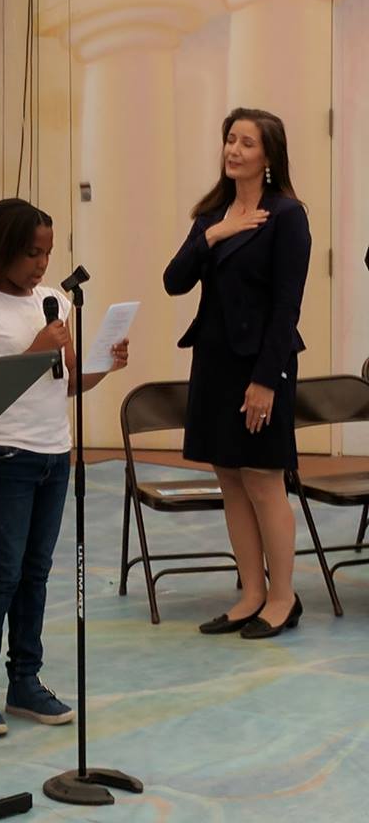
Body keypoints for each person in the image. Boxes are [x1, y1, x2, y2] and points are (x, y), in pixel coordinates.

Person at [0, 197, 129, 736]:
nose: (41, 266)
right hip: (5, 455)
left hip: (55, 455)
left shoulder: (54, 302)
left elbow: (67, 381)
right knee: (1, 572)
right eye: (31, 253)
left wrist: (105, 364)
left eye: (47, 253)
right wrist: (35, 349)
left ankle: (25, 678)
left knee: (37, 573)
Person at [163, 107, 311, 640]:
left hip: (261, 367)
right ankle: (250, 592)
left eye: (246, 143)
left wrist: (266, 380)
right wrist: (216, 234)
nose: (234, 150)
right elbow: (173, 281)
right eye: (230, 140)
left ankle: (283, 596)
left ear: (268, 156)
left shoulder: (288, 216)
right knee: (229, 476)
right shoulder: (213, 216)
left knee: (264, 480)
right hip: (215, 362)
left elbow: (286, 306)